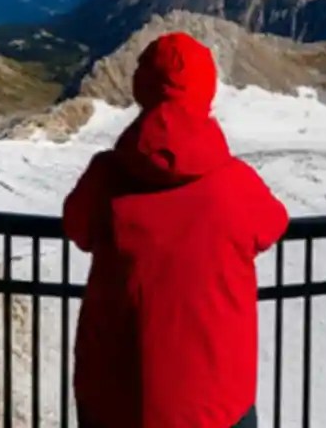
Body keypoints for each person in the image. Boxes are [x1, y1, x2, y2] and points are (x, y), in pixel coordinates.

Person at [63, 32, 290, 428]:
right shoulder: (234, 183)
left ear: (141, 86)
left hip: (117, 397)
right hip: (216, 400)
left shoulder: (106, 176)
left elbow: (77, 228)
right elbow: (273, 224)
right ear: (207, 89)